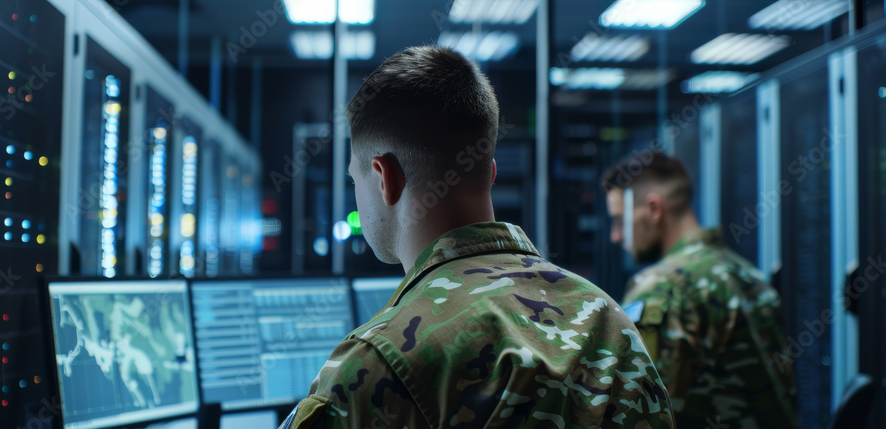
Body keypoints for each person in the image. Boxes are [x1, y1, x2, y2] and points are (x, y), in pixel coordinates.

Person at [279, 45, 673, 429]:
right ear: (491, 173)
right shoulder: (609, 322)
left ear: (385, 178)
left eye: (355, 178)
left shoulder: (377, 362)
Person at [601, 153, 797, 428]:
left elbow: (641, 411)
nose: (616, 236)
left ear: (655, 209)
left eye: (620, 220)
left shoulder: (660, 287)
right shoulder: (746, 273)